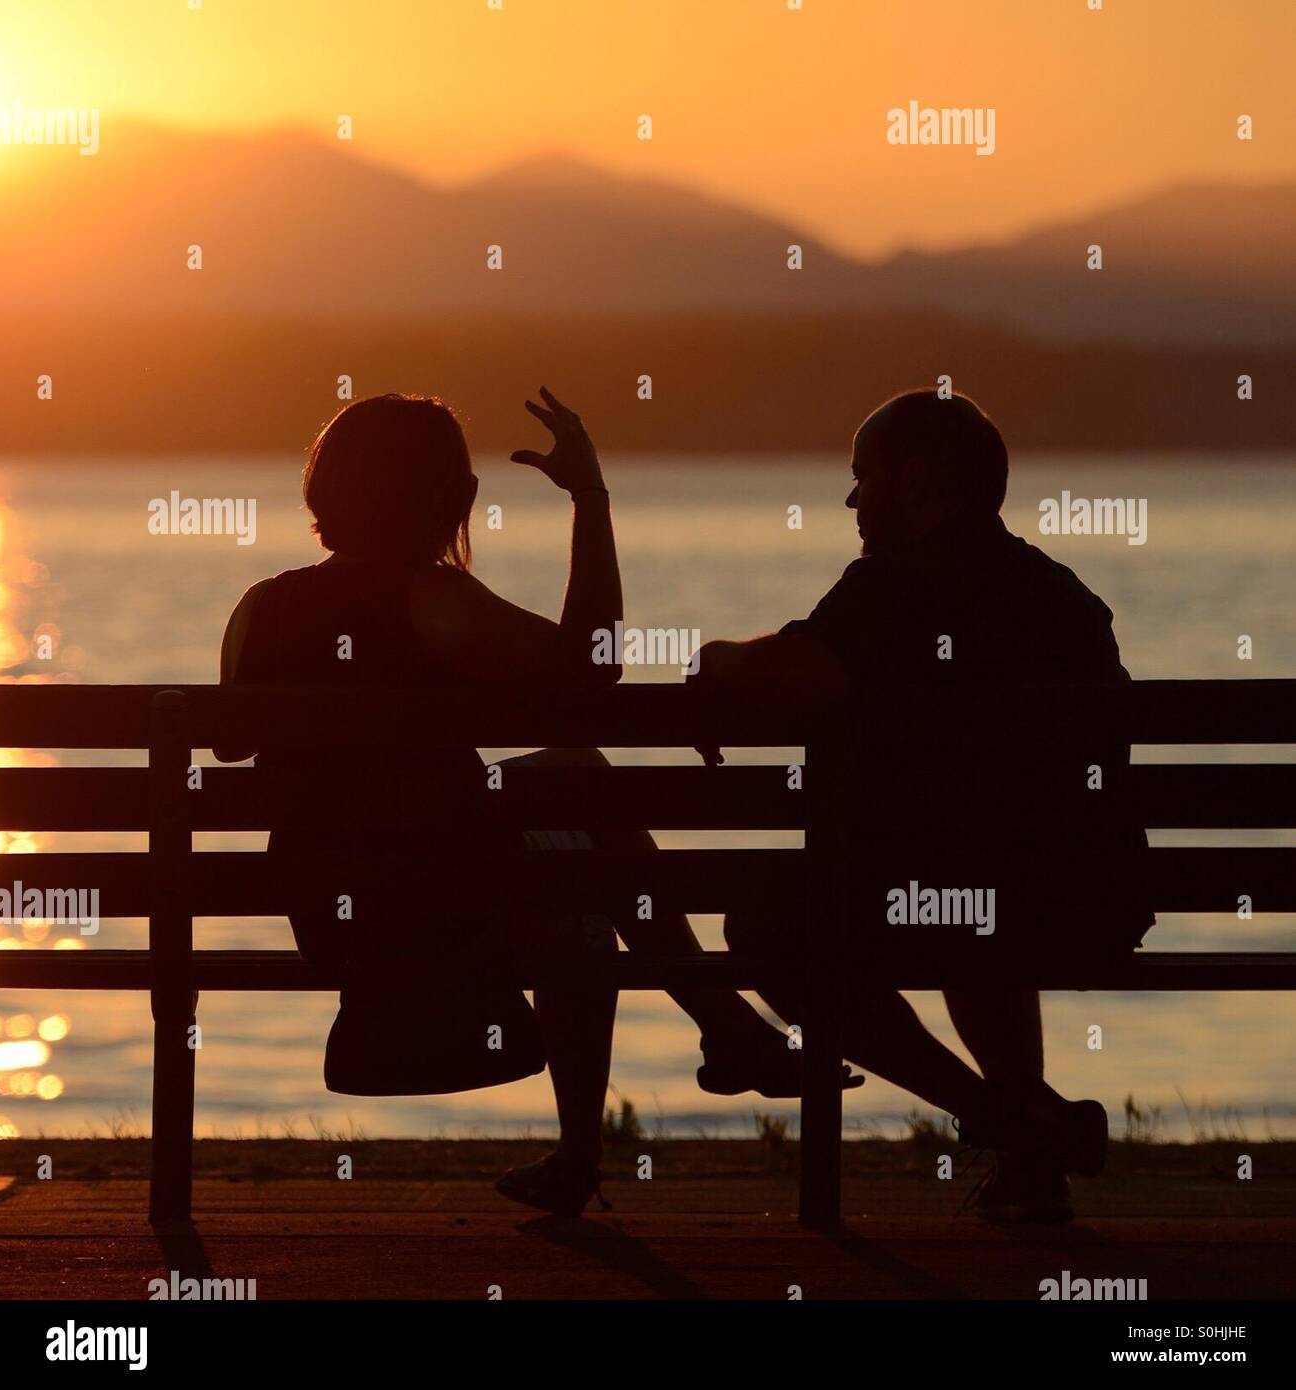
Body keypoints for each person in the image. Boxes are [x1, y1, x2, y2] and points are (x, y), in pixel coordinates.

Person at [214, 389, 851, 1219]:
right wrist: (590, 499)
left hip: (326, 910)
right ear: (455, 498)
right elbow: (593, 668)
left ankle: (702, 1054)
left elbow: (227, 743)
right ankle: (705, 1046)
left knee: (572, 805)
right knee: (582, 861)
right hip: (427, 907)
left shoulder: (261, 605)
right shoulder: (432, 599)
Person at [689, 388, 1154, 1222]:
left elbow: (804, 670)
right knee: (975, 902)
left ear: (912, 481)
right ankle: (1029, 1151)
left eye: (860, 478)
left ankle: (1000, 1118)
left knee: (769, 927)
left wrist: (716, 660)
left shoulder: (894, 588)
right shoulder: (1066, 597)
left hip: (958, 897)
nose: (849, 499)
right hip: (1086, 901)